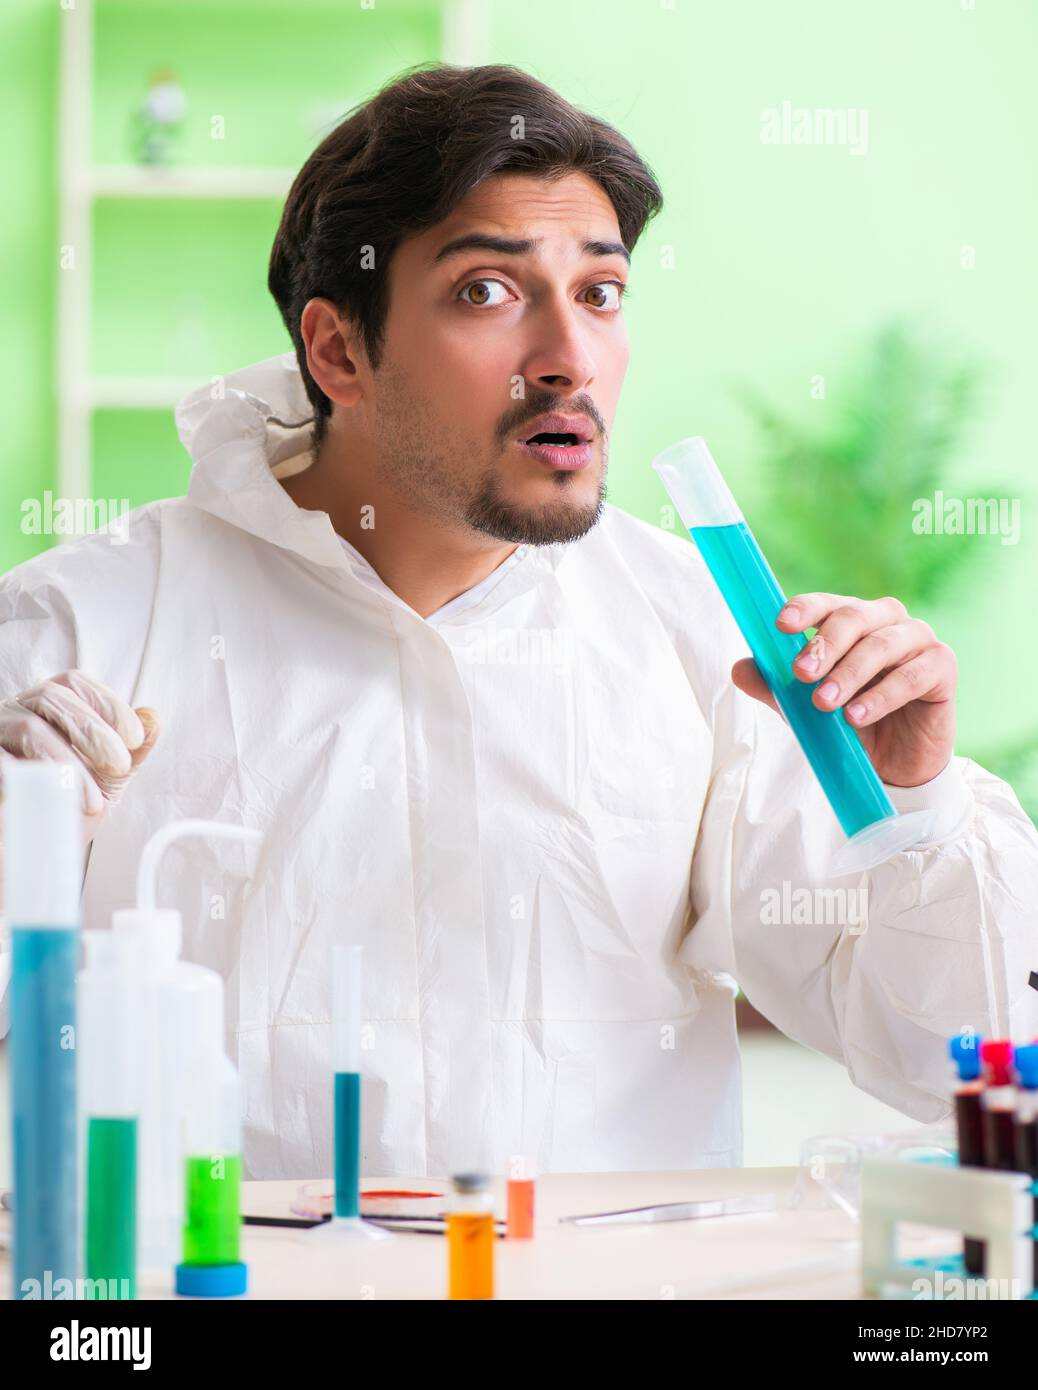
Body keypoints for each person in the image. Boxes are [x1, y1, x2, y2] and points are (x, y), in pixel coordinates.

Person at [0, 64, 1035, 1180]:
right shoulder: (76, 630)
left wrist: (916, 810)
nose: (570, 359)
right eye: (487, 291)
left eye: (600, 292)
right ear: (340, 350)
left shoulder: (704, 636)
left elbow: (954, 1058)